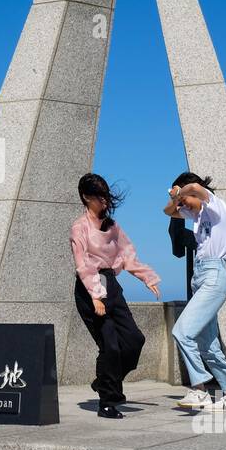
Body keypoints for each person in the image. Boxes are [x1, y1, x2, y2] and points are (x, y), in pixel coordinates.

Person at [70, 173, 161, 419]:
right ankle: (107, 402)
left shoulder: (112, 226)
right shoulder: (80, 227)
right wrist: (96, 297)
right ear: (86, 197)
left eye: (106, 195)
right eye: (99, 196)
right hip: (90, 289)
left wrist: (148, 278)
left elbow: (128, 255)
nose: (105, 201)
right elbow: (83, 265)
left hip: (111, 285)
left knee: (134, 340)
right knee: (109, 345)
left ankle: (103, 381)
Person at [164, 172, 226, 412]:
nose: (184, 204)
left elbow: (197, 189)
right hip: (200, 277)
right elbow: (167, 212)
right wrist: (177, 199)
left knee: (181, 332)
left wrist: (182, 191)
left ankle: (200, 390)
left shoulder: (216, 206)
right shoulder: (196, 215)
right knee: (207, 344)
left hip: (214, 275)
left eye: (186, 198)